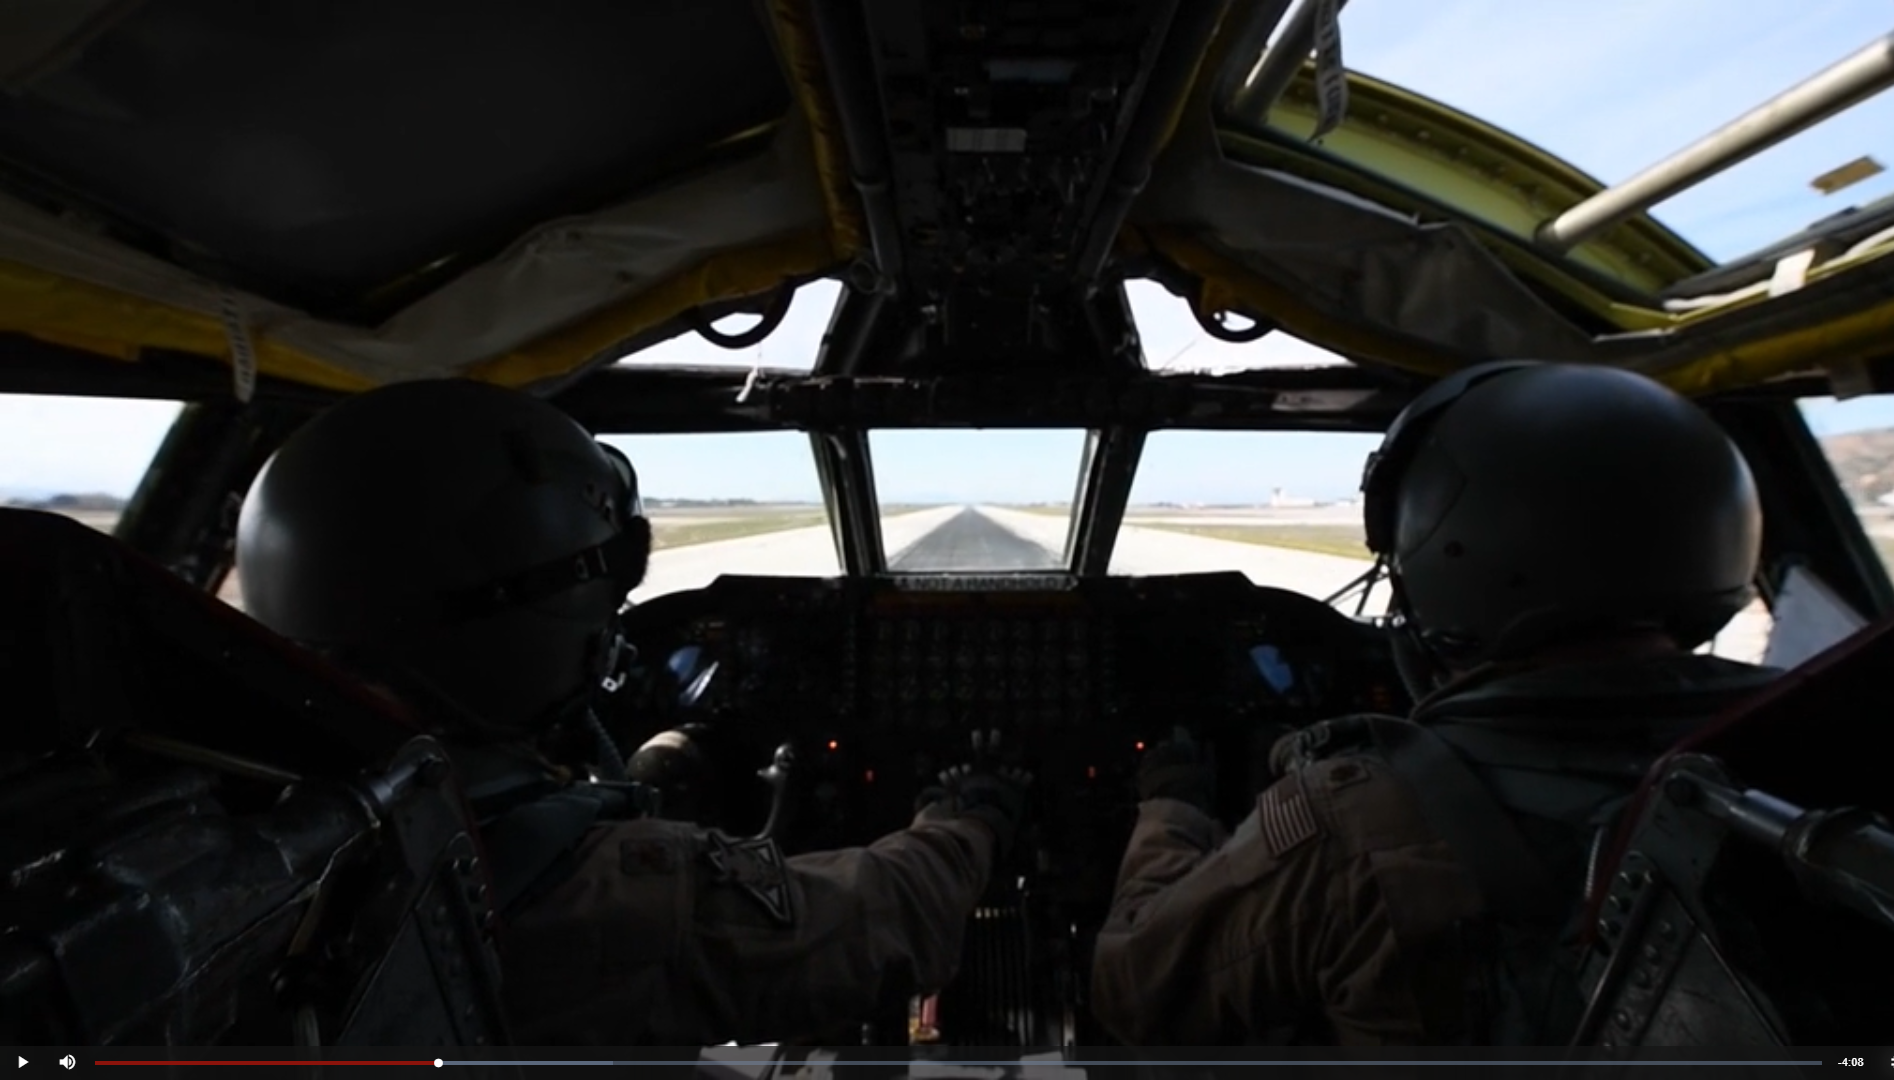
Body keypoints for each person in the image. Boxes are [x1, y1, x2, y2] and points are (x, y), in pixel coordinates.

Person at [234, 377, 1028, 1044]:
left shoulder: (238, 797)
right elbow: (880, 919)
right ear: (534, 615)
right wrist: (969, 819)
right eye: (605, 606)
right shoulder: (573, 889)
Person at [1089, 361, 1778, 1045]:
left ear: (1451, 551)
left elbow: (1131, 991)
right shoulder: (1822, 742)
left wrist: (1171, 805)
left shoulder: (1361, 816)